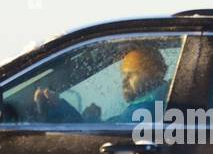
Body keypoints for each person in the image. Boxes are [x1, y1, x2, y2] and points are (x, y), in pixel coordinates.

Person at [32, 45, 169, 123]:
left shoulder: (148, 109)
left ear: (156, 73)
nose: (124, 81)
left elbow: (102, 139)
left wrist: (60, 108)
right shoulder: (160, 103)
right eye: (123, 75)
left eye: (131, 74)